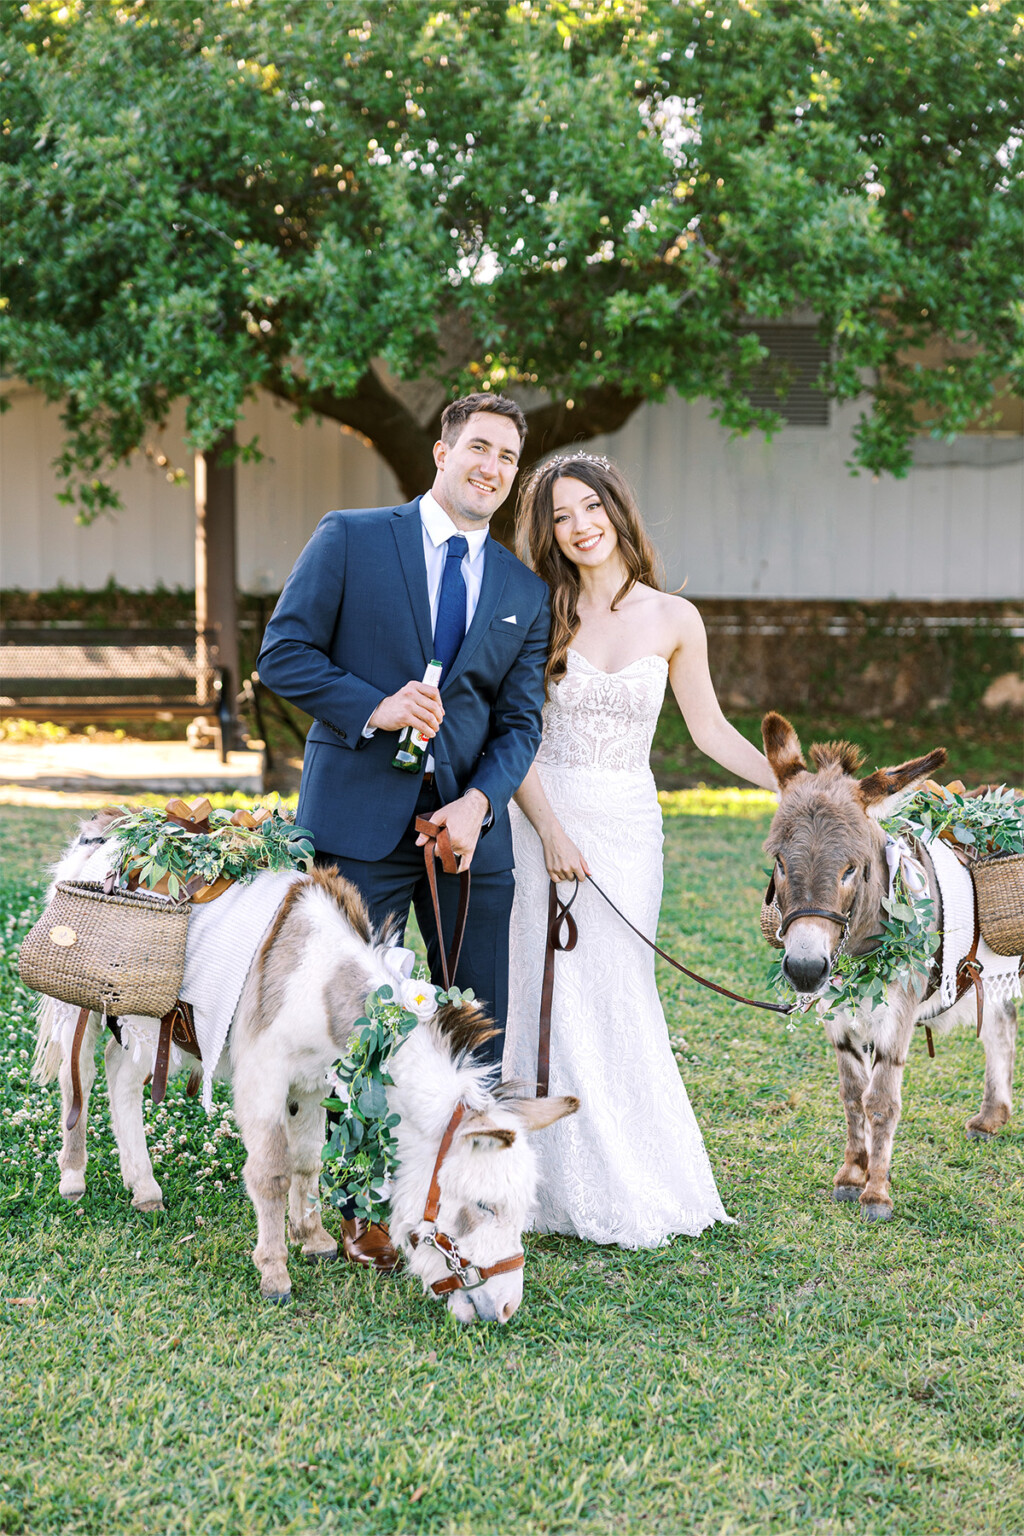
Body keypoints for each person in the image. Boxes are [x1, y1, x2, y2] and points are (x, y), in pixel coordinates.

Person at [257, 393, 550, 1269]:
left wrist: (480, 803)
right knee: (359, 1018)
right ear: (442, 452)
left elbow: (520, 723)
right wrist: (374, 706)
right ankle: (357, 1204)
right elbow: (283, 654)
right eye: (480, 448)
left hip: (466, 837)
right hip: (355, 823)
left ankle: (468, 1189)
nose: (493, 468)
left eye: (508, 457)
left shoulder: (523, 590)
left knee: (475, 1019)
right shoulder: (350, 538)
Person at [503, 452, 777, 1249]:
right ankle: (536, 1177)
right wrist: (550, 830)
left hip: (627, 826)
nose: (580, 526)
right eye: (561, 516)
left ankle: (635, 1173)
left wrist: (791, 785)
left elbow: (711, 730)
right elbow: (514, 735)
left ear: (618, 511)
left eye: (591, 507)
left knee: (619, 990)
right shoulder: (538, 610)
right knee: (544, 990)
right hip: (542, 818)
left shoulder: (674, 618)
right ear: (548, 533)